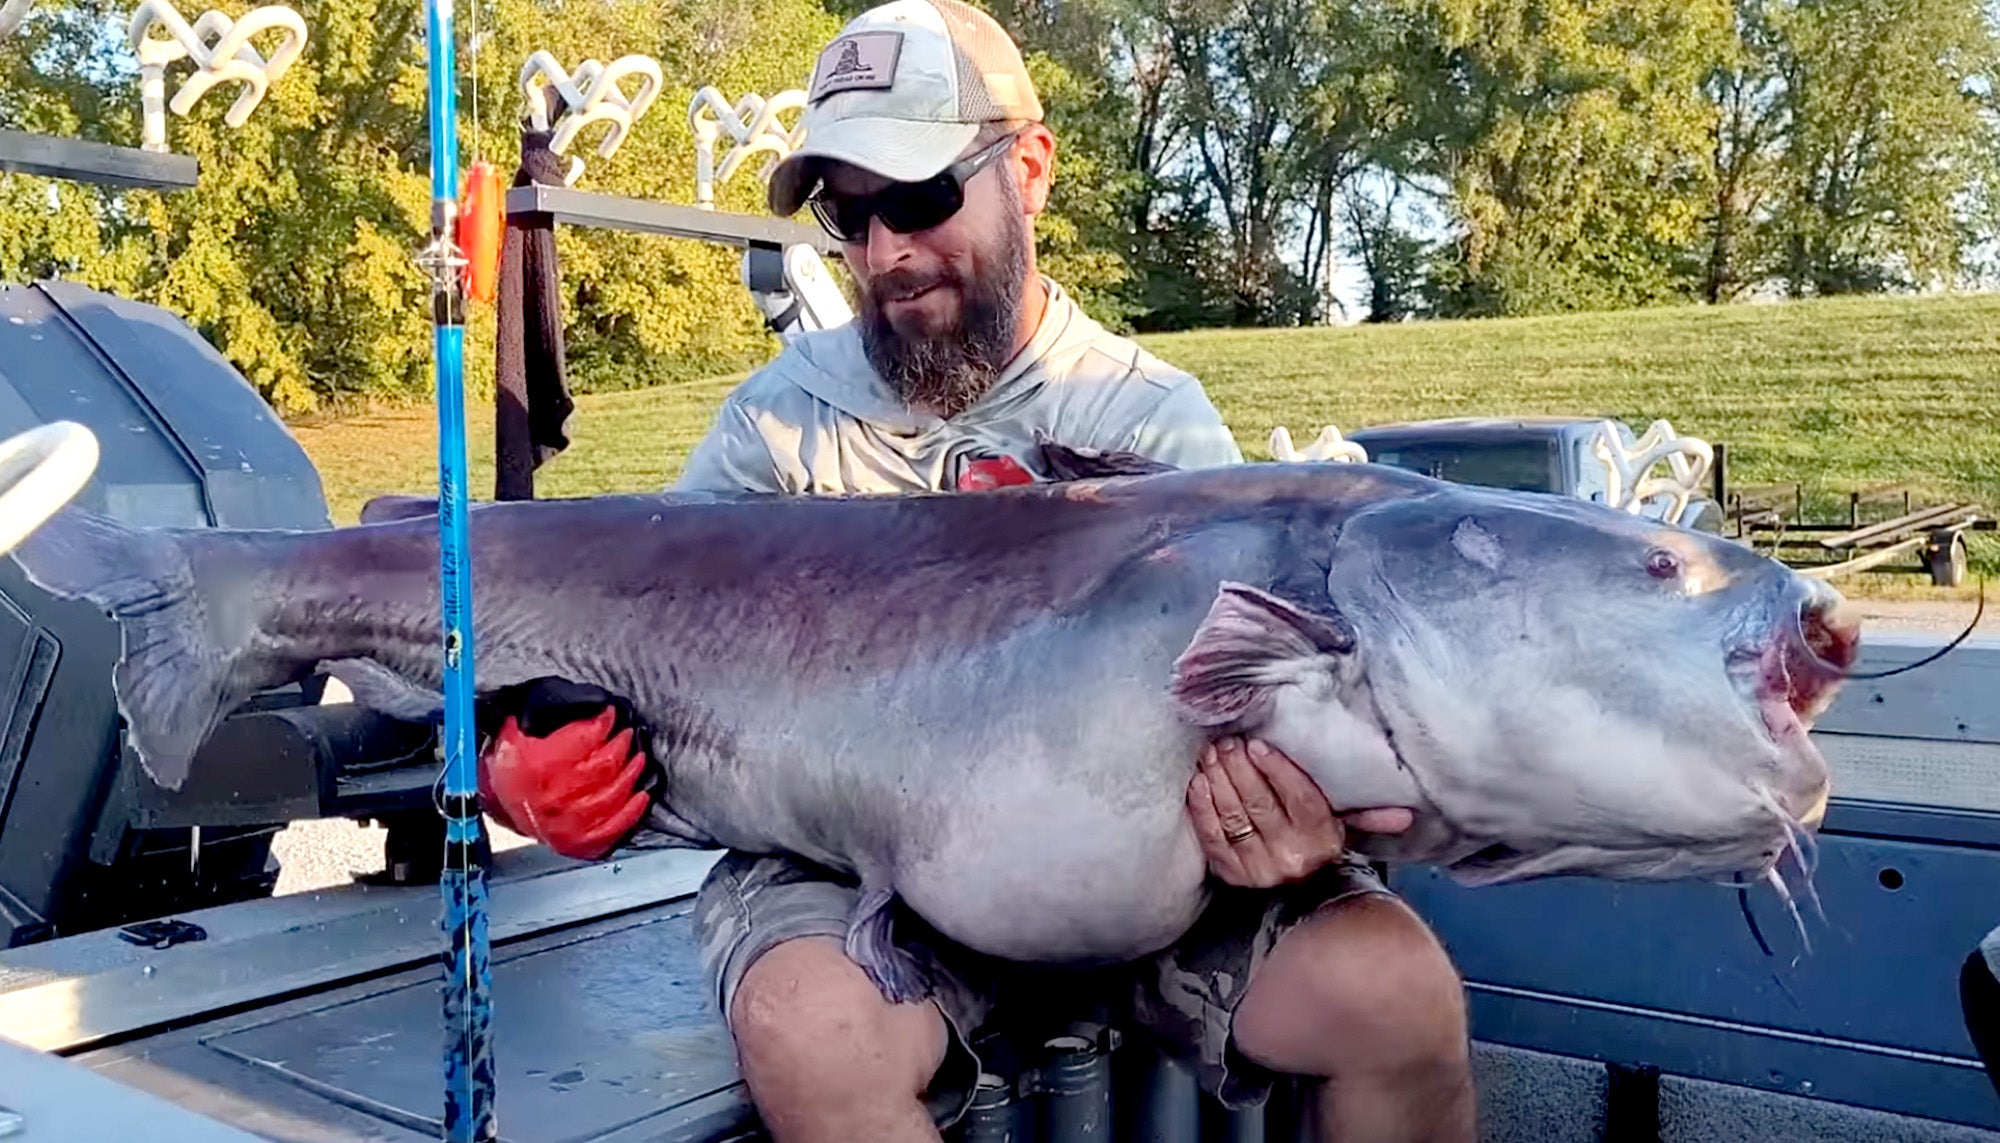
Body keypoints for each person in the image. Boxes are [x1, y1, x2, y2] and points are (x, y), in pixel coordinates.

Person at [474, 2, 1476, 1139]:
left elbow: (1280, 718)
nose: (883, 253)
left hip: (1155, 889)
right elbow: (626, 646)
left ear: (1029, 169)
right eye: (846, 217)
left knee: (1395, 996)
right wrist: (522, 761)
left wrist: (1296, 829)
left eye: (918, 198)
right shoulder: (778, 430)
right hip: (849, 864)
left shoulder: (1153, 425)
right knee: (812, 1031)